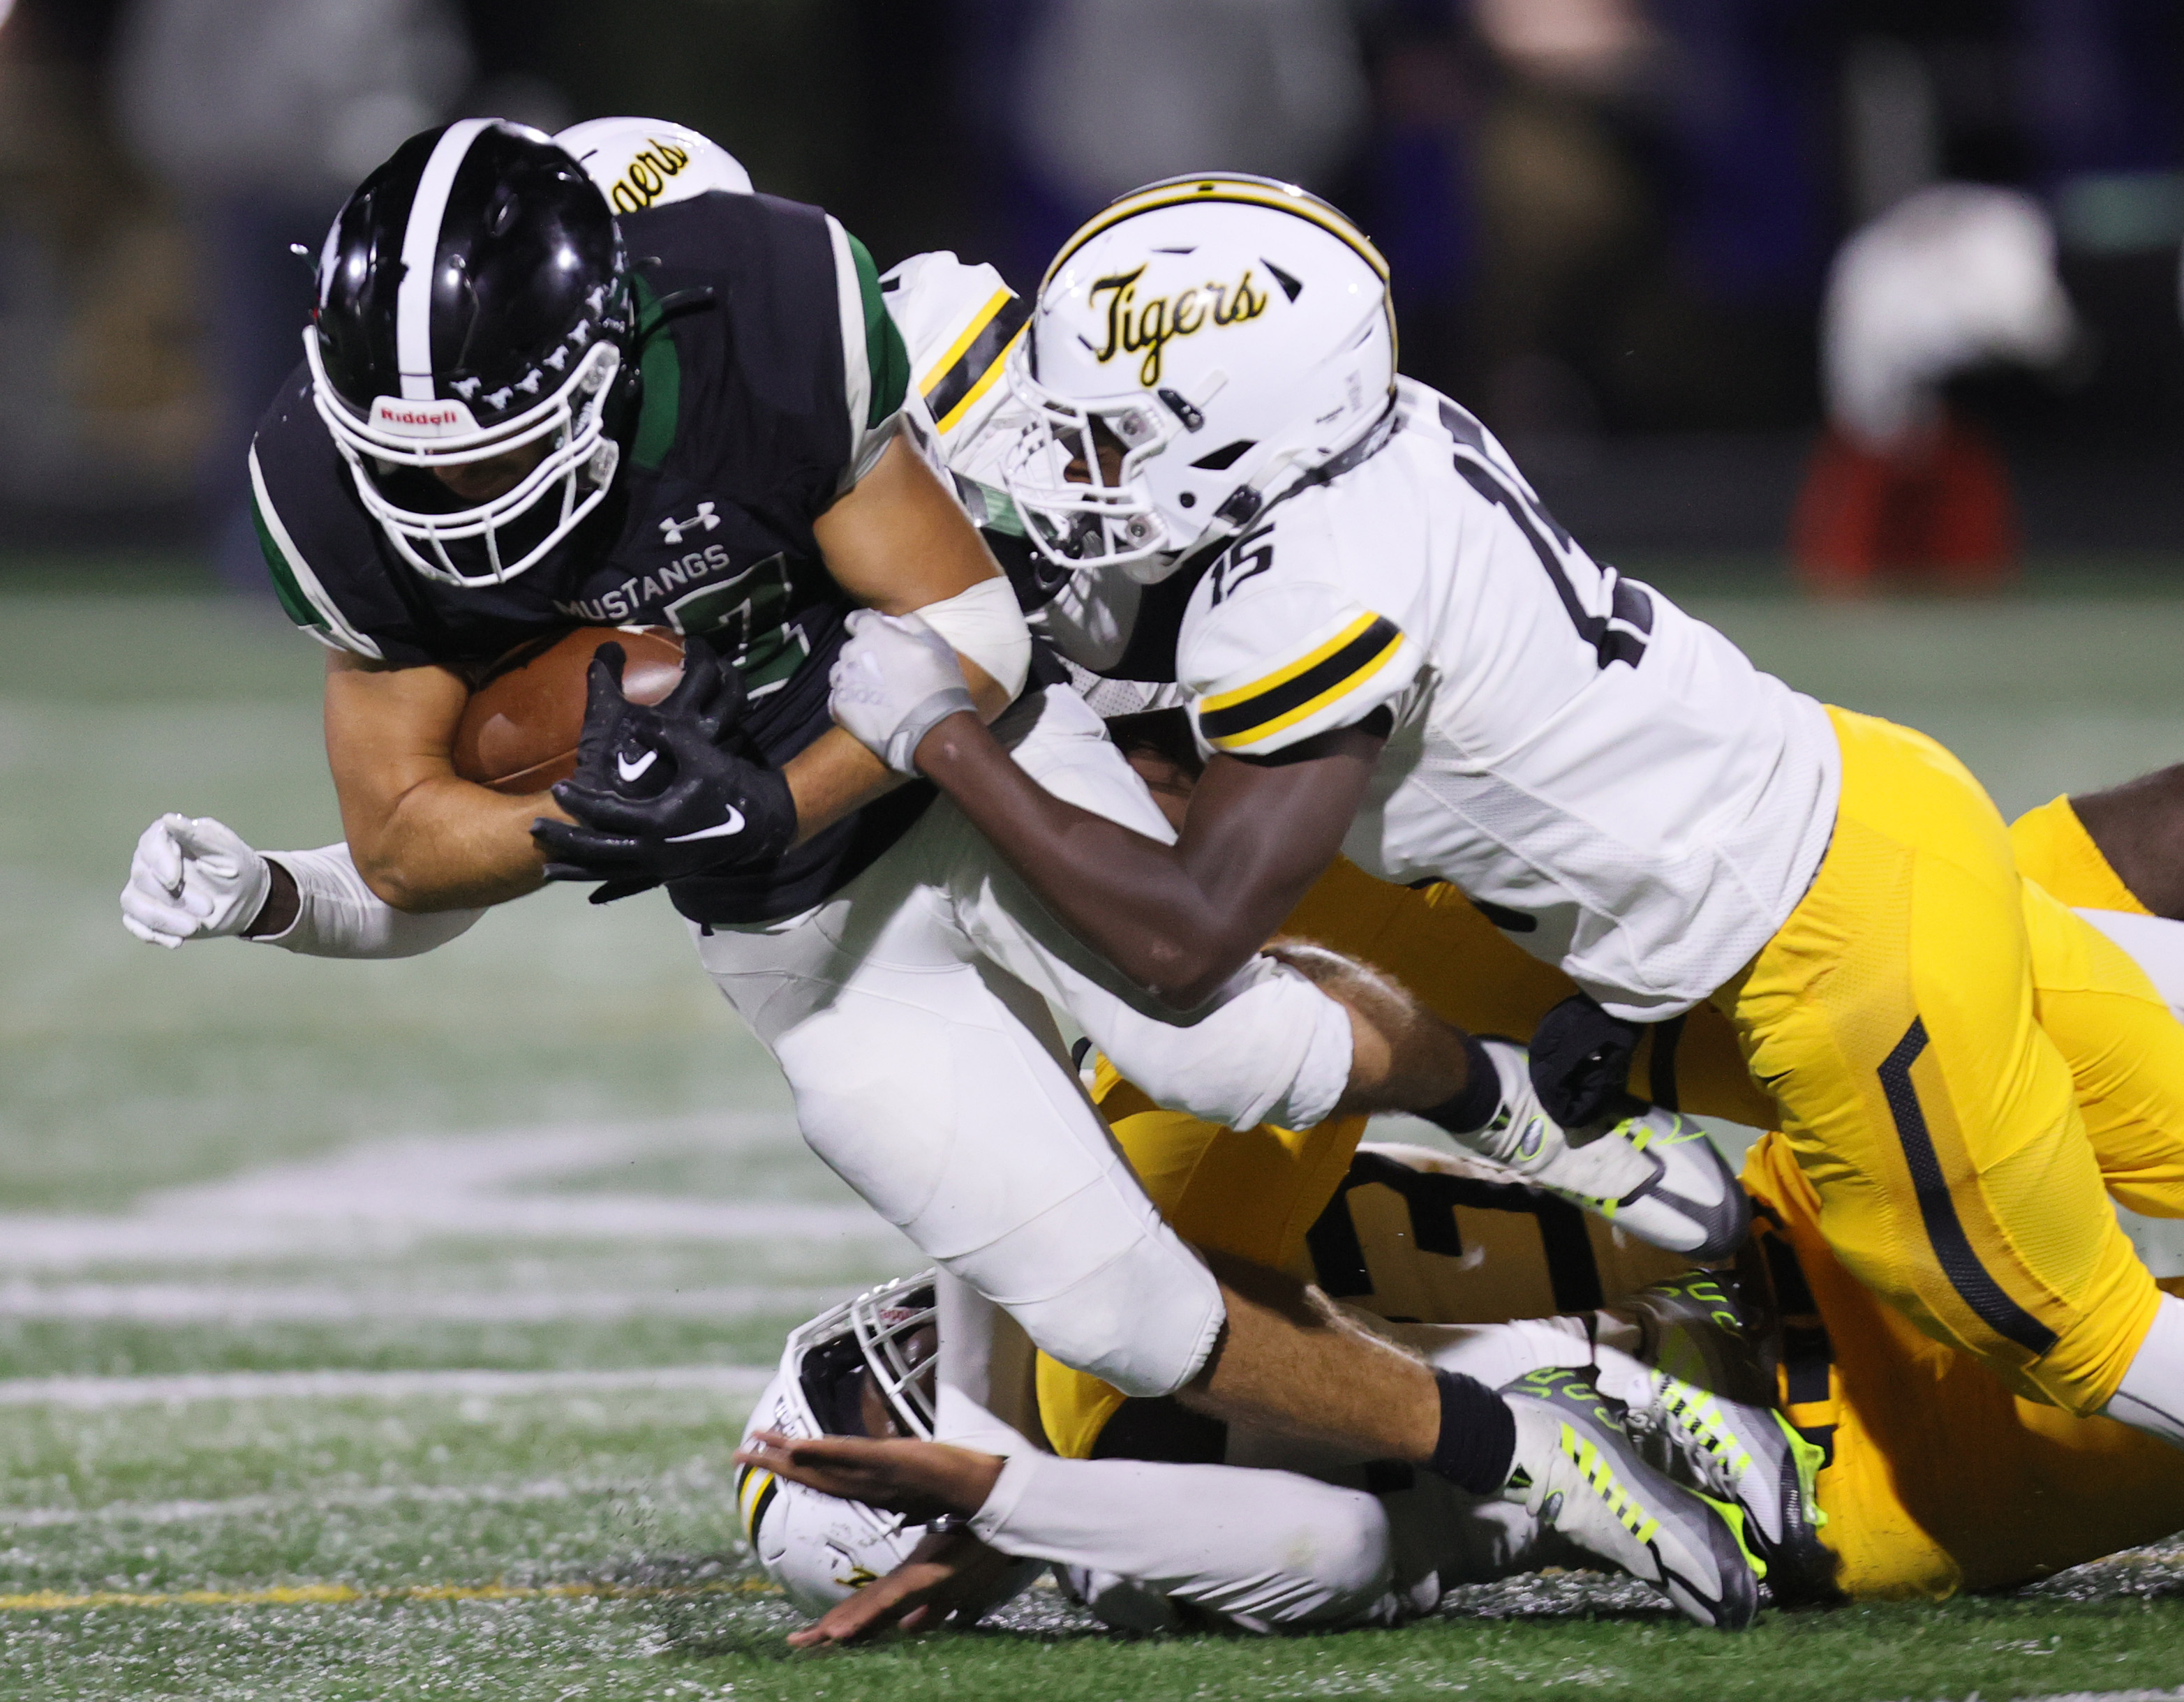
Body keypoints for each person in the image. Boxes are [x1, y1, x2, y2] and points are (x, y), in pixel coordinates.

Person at [140, 120, 1755, 1622]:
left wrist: (772, 799)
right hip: (798, 942)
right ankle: (1521, 1457)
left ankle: (1505, 1098)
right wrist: (588, 826)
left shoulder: (766, 319)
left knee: (1233, 1041)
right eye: (406, 457)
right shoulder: (328, 498)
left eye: (491, 444)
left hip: (953, 754)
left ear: (623, 333)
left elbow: (973, 630)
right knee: (1119, 1314)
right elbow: (403, 842)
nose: (450, 499)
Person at [818, 174, 2184, 1472]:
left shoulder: (1296, 592)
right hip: (1869, 812)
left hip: (1830, 954)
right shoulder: (1380, 437)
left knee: (2067, 1334)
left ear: (1243, 424)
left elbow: (1186, 935)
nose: (1077, 466)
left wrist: (934, 726)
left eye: (1111, 430)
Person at [734, 1137, 2184, 1641]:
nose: (921, 1334)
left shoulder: (1111, 1244)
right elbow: (1330, 1542)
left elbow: (987, 1160)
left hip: (1783, 1239)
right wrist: (1021, 1493)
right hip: (1833, 1470)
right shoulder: (1130, 1538)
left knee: (2042, 894)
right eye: (896, 1397)